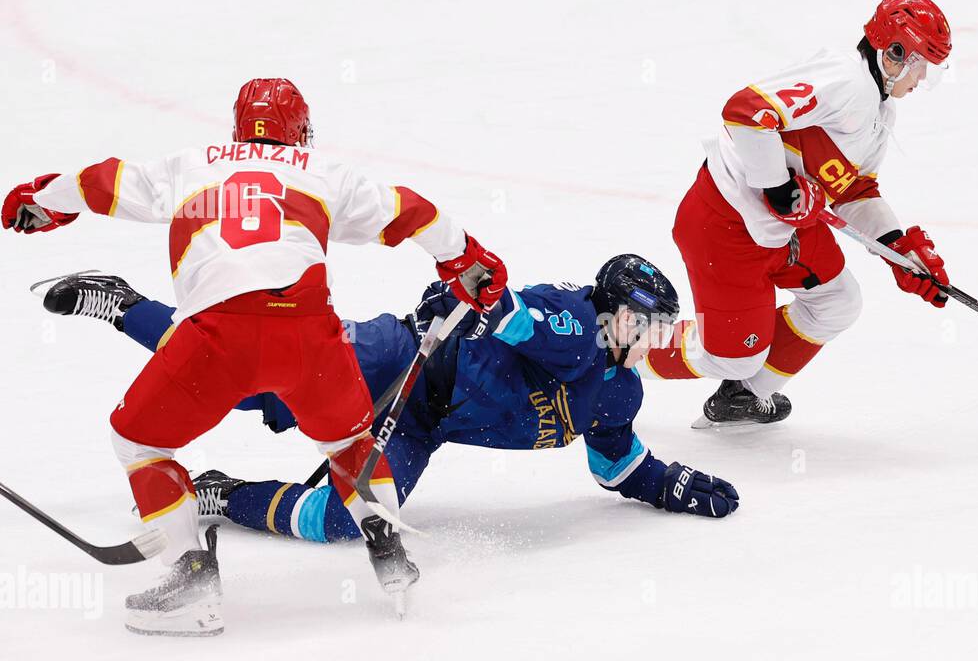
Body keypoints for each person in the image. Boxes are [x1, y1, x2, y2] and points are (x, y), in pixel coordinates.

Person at [1, 78, 507, 635]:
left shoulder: (191, 165)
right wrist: (468, 261)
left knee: (140, 441)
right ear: (300, 130)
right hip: (312, 334)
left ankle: (191, 575)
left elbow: (101, 182)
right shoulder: (322, 175)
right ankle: (387, 550)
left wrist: (40, 199)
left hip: (219, 336)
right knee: (349, 442)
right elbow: (413, 210)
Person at [32, 256, 739, 546]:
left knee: (344, 521)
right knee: (241, 379)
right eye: (643, 324)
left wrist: (670, 483)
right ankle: (122, 303)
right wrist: (464, 290)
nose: (650, 339)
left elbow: (617, 467)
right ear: (616, 313)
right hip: (400, 356)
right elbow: (510, 307)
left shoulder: (618, 389)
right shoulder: (577, 326)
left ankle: (218, 494)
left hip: (421, 419)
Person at [643, 0, 955, 427]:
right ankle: (616, 351)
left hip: (785, 232)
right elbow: (747, 112)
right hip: (727, 226)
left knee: (838, 302)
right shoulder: (845, 80)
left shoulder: (881, 111)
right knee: (730, 357)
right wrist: (780, 188)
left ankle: (743, 398)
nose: (921, 79)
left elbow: (857, 190)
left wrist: (898, 250)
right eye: (920, 64)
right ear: (894, 53)